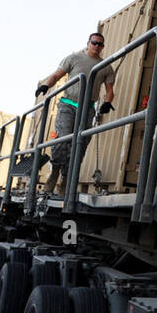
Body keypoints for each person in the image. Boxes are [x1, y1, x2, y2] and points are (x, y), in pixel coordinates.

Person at [35, 32, 116, 195]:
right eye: (94, 43)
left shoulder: (106, 66)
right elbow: (57, 75)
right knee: (63, 138)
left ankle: (67, 180)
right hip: (68, 106)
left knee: (80, 144)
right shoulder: (73, 59)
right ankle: (55, 173)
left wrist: (107, 103)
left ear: (103, 47)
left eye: (100, 44)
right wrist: (46, 86)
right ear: (88, 43)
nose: (96, 46)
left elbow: (109, 90)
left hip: (87, 109)